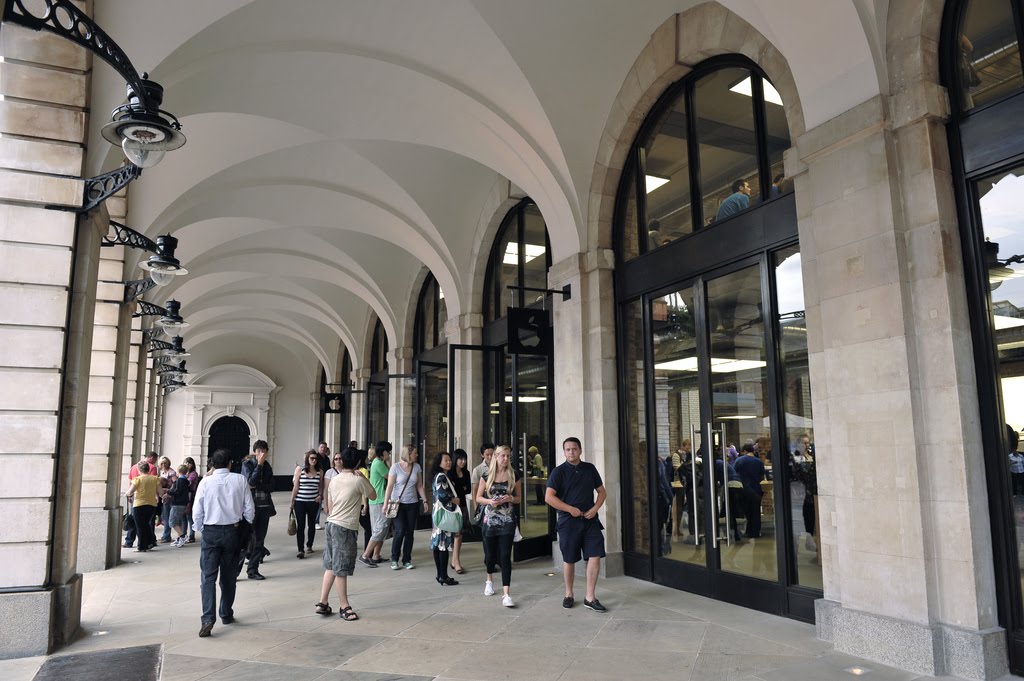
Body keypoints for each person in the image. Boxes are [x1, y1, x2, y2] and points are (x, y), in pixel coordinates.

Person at [192, 447, 255, 638]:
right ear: (230, 463)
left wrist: (201, 528)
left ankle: (207, 619)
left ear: (212, 464)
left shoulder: (205, 482)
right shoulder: (240, 479)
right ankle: (226, 613)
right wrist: (246, 525)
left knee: (208, 577)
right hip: (232, 532)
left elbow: (197, 510)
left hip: (210, 532)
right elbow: (249, 509)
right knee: (228, 577)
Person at [545, 437, 608, 612]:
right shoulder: (558, 472)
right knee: (569, 559)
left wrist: (595, 508)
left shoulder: (590, 469)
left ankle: (590, 597)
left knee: (595, 555)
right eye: (567, 449)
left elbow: (602, 492)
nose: (571, 452)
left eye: (574, 449)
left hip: (590, 520)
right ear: (564, 452)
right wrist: (569, 509)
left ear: (580, 450)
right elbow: (549, 497)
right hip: (567, 522)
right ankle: (569, 593)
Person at [317, 446, 376, 620]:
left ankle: (323, 602)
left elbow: (332, 501)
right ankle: (345, 607)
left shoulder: (335, 479)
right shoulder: (358, 480)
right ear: (358, 463)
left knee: (331, 565)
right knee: (341, 568)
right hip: (345, 527)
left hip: (331, 524)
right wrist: (363, 477)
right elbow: (372, 495)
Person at [477, 445, 521, 606]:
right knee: (490, 556)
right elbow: (478, 497)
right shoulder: (486, 474)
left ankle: (506, 594)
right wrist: (490, 501)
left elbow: (518, 498)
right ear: (496, 457)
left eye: (508, 456)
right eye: (503, 456)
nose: (506, 459)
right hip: (490, 521)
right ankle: (489, 580)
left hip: (508, 521)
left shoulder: (514, 474)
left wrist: (510, 499)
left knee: (504, 556)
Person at [383, 444, 428, 570]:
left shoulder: (417, 467)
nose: (417, 455)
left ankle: (407, 559)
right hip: (398, 504)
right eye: (415, 453)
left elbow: (419, 485)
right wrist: (386, 503)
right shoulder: (395, 467)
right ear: (408, 454)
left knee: (409, 533)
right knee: (400, 531)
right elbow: (390, 486)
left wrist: (425, 501)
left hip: (412, 503)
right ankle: (394, 558)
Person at [241, 440, 275, 580]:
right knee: (244, 541)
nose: (262, 454)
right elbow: (250, 483)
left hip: (265, 507)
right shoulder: (247, 464)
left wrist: (259, 485)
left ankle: (253, 570)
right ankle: (235, 571)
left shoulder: (268, 466)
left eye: (264, 451)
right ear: (255, 452)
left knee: (259, 541)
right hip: (251, 507)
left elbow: (272, 486)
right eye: (259, 451)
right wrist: (259, 465)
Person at [430, 452, 461, 586]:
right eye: (446, 460)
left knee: (437, 546)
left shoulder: (438, 476)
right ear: (439, 462)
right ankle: (444, 576)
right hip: (445, 514)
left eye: (449, 460)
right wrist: (454, 500)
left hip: (438, 514)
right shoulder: (442, 477)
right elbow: (442, 496)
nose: (449, 462)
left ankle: (440, 575)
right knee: (443, 546)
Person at [359, 441, 392, 567]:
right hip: (379, 500)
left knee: (382, 529)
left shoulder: (377, 462)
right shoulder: (379, 463)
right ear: (383, 452)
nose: (389, 454)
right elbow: (390, 476)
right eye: (388, 451)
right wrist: (389, 462)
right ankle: (365, 555)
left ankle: (376, 555)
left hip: (377, 500)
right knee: (380, 528)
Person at [290, 450, 323, 558]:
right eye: (311, 458)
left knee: (312, 525)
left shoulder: (320, 472)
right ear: (307, 459)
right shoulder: (300, 470)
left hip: (313, 502)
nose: (314, 460)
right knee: (301, 525)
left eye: (315, 458)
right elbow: (296, 486)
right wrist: (292, 501)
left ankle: (309, 545)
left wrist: (320, 495)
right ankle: (301, 549)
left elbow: (320, 486)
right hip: (300, 502)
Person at [123, 451, 159, 548]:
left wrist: (129, 495)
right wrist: (157, 496)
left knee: (136, 521)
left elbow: (130, 482)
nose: (155, 462)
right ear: (151, 458)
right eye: (155, 459)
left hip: (137, 498)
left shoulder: (133, 467)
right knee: (148, 523)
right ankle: (149, 541)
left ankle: (129, 541)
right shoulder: (153, 468)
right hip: (150, 499)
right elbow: (154, 485)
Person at [734, 442, 766, 538]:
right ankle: (755, 532)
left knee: (748, 512)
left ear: (744, 451)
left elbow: (734, 473)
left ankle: (748, 532)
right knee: (756, 512)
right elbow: (762, 477)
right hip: (756, 490)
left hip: (744, 489)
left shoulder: (739, 460)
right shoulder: (759, 462)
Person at [447, 449, 472, 573]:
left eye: (464, 459)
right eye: (460, 459)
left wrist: (461, 488)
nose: (463, 461)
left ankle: (455, 560)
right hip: (451, 508)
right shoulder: (449, 474)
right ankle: (454, 561)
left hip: (462, 506)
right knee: (455, 534)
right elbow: (449, 492)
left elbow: (467, 490)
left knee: (459, 534)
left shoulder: (466, 473)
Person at [169, 464, 191, 548]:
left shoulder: (180, 481)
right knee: (178, 521)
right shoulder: (186, 481)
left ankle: (182, 536)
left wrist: (168, 492)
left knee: (173, 522)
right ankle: (179, 537)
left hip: (178, 503)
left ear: (178, 472)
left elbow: (178, 492)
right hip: (183, 503)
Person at [157, 456, 178, 543]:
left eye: (165, 463)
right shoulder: (162, 472)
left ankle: (166, 536)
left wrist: (169, 491)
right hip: (163, 496)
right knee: (164, 516)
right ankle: (165, 535)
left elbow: (175, 483)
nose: (163, 464)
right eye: (162, 463)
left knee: (166, 516)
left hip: (168, 496)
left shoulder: (171, 472)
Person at [356, 448, 373, 549]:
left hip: (355, 504)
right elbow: (364, 490)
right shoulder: (364, 471)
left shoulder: (354, 470)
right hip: (363, 504)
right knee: (369, 529)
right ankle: (368, 552)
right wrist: (365, 505)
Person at [314, 441, 330, 529]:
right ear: (318, 448)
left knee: (325, 499)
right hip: (317, 481)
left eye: (324, 447)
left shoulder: (327, 459)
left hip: (325, 481)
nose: (323, 449)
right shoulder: (315, 458)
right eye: (321, 447)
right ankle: (315, 521)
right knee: (318, 500)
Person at [183, 457, 200, 543]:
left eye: (189, 463)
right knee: (184, 517)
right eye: (186, 463)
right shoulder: (185, 473)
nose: (187, 465)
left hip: (190, 496)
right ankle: (183, 535)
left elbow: (187, 482)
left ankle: (191, 535)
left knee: (189, 517)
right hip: (184, 496)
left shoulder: (193, 474)